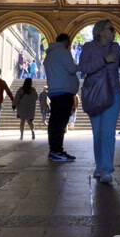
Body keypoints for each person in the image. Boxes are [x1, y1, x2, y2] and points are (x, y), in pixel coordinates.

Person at [79, 20, 120, 184]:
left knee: (107, 133)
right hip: (95, 95)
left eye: (114, 28)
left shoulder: (116, 48)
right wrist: (104, 60)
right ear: (100, 31)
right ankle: (100, 166)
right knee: (97, 134)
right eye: (110, 28)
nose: (114, 31)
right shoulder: (88, 47)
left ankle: (107, 169)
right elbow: (83, 68)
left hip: (113, 94)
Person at [44, 33, 78, 162]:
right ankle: (56, 151)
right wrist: (78, 65)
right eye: (69, 43)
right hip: (64, 92)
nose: (69, 46)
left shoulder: (50, 54)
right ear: (66, 42)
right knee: (60, 123)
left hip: (55, 92)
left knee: (55, 122)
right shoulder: (62, 52)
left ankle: (55, 150)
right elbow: (72, 69)